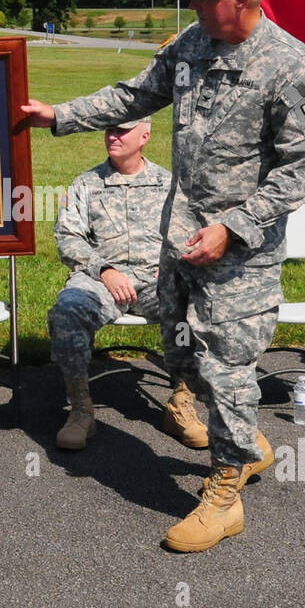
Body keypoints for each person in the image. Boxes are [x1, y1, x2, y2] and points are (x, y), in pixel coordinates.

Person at [22, 0, 305, 552]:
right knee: (183, 358)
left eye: (205, 0)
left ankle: (225, 494)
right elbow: (131, 97)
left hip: (239, 253)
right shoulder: (191, 46)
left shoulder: (290, 65)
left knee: (226, 362)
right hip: (180, 240)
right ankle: (245, 440)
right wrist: (57, 115)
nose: (195, 11)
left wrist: (234, 227)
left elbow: (297, 171)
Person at [47, 118, 209, 451]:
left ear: (145, 136)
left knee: (195, 302)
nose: (113, 136)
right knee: (68, 309)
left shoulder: (168, 184)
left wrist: (171, 267)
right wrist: (103, 269)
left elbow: (190, 235)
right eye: (109, 130)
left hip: (155, 279)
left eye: (122, 131)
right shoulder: (86, 184)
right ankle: (81, 411)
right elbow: (68, 237)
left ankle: (181, 404)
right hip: (101, 278)